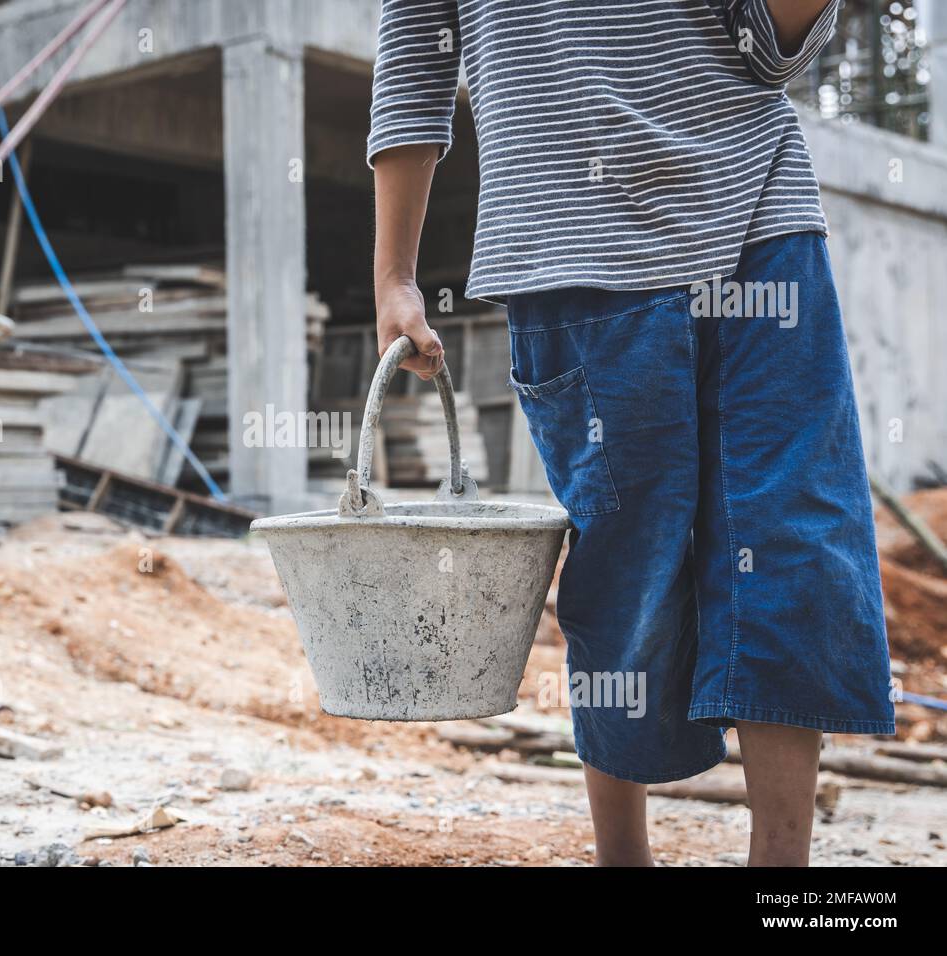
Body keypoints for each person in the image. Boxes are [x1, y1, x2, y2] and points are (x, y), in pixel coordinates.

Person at [368, 0, 894, 866]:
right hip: (570, 239)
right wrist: (394, 276)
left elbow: (768, 51)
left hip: (758, 209)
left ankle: (784, 876)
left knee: (797, 535)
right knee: (629, 556)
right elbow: (416, 53)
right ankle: (624, 858)